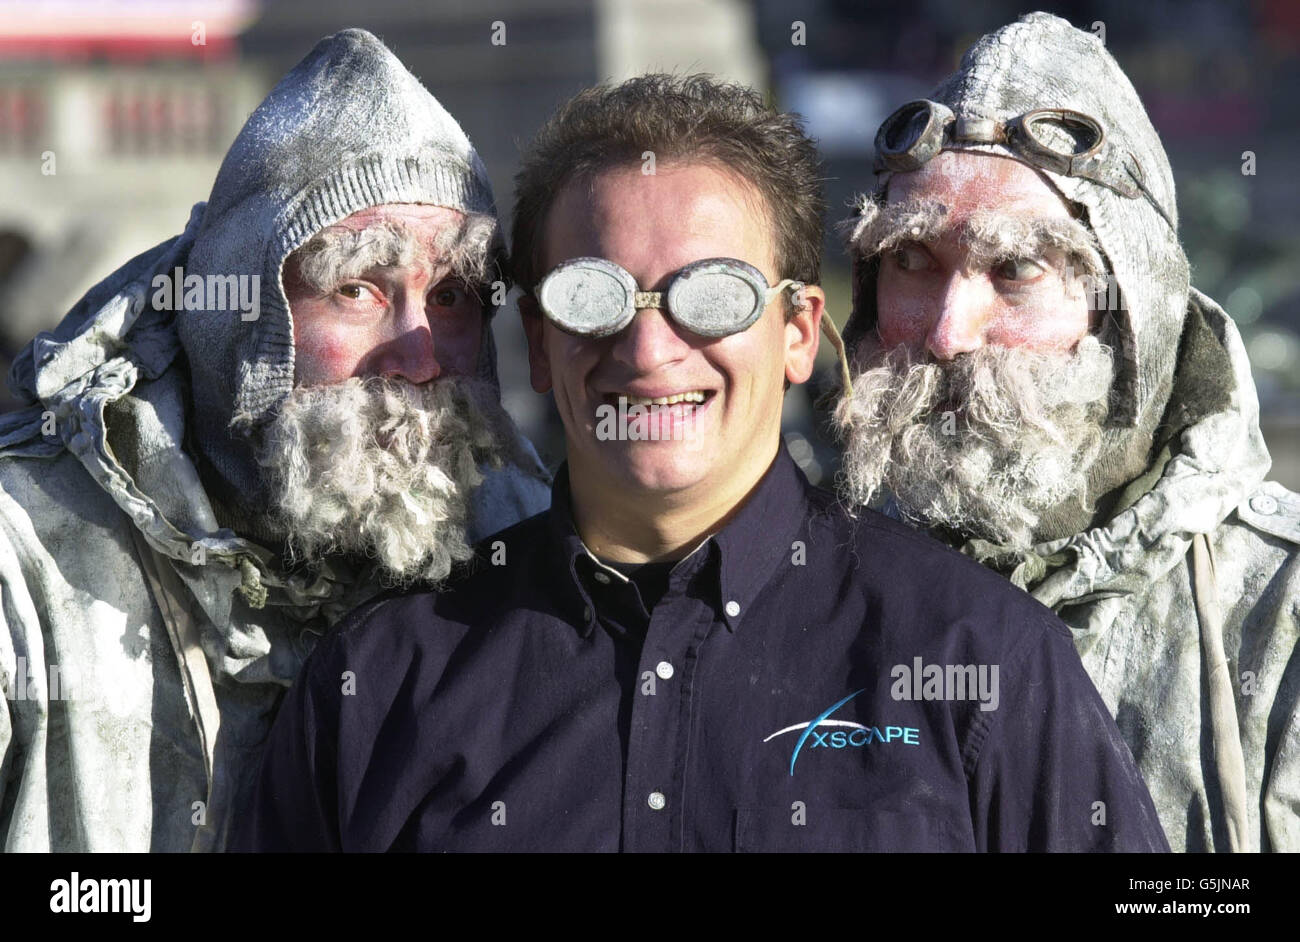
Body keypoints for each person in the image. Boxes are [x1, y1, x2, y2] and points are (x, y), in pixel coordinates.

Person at [234, 73, 1168, 853]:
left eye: (711, 295)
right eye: (594, 294)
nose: (648, 351)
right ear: (537, 336)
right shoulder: (380, 682)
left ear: (799, 332)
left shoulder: (982, 660)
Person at [0, 28, 550, 852]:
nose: (420, 353)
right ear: (240, 318)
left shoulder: (523, 544)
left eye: (454, 296)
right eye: (358, 288)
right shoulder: (25, 556)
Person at [834, 12, 1299, 852]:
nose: (947, 332)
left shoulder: (1282, 608)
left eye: (1014, 269)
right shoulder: (798, 594)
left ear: (1136, 315)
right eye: (911, 262)